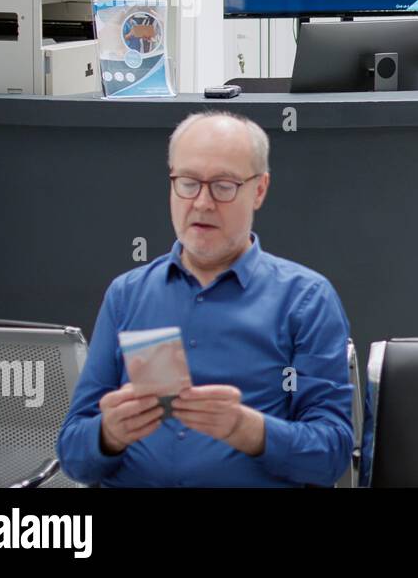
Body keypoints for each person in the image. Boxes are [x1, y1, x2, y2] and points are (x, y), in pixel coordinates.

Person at [56, 112, 354, 487]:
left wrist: (252, 432)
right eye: (188, 183)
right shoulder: (127, 295)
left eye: (224, 186)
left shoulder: (306, 300)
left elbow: (332, 455)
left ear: (259, 190)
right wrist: (108, 435)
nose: (202, 202)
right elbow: (72, 454)